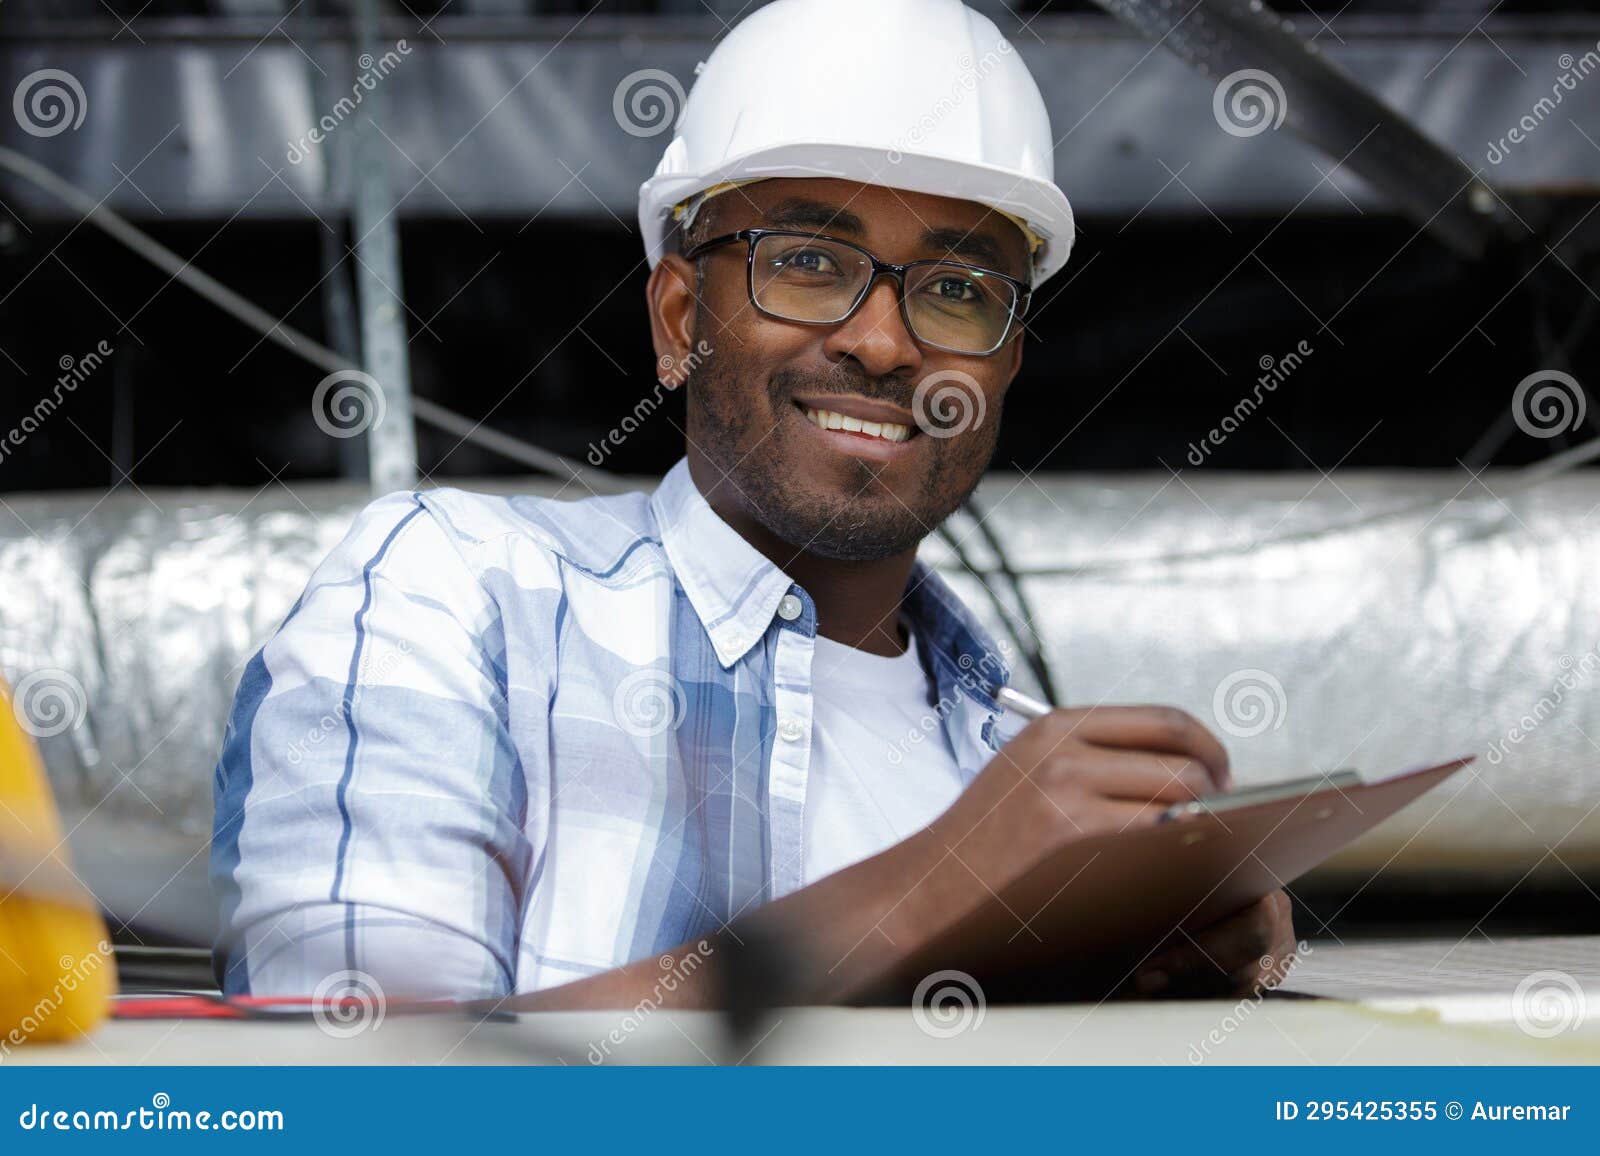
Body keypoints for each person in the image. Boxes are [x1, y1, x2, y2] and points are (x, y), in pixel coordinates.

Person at [211, 0, 1295, 1009]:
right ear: (679, 318)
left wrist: (1141, 982)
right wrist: (939, 888)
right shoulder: (463, 594)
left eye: (959, 289)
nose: (882, 341)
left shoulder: (1001, 768)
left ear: (1008, 363)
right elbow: (365, 1078)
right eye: (811, 262)